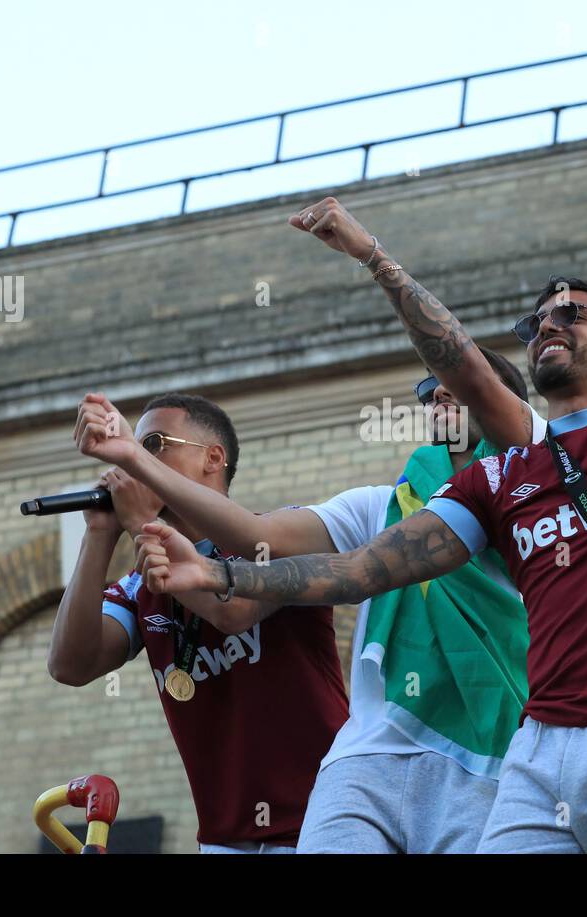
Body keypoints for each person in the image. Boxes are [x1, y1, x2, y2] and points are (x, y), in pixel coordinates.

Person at [129, 78, 587, 853]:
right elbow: (360, 571)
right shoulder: (498, 477)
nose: (550, 323)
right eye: (539, 319)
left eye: (573, 313)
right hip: (539, 754)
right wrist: (218, 578)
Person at [74, 204, 548, 852]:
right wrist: (130, 482)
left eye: (458, 386)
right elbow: (252, 536)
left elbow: (237, 607)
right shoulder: (380, 507)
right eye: (430, 390)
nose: (440, 395)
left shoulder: (534, 482)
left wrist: (373, 257)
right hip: (374, 752)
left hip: (486, 746)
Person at [49, 393, 348, 853]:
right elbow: (70, 664)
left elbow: (231, 612)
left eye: (152, 444)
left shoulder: (278, 538)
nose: (134, 461)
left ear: (213, 458)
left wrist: (142, 523)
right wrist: (99, 533)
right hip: (226, 839)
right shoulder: (138, 586)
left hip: (330, 817)